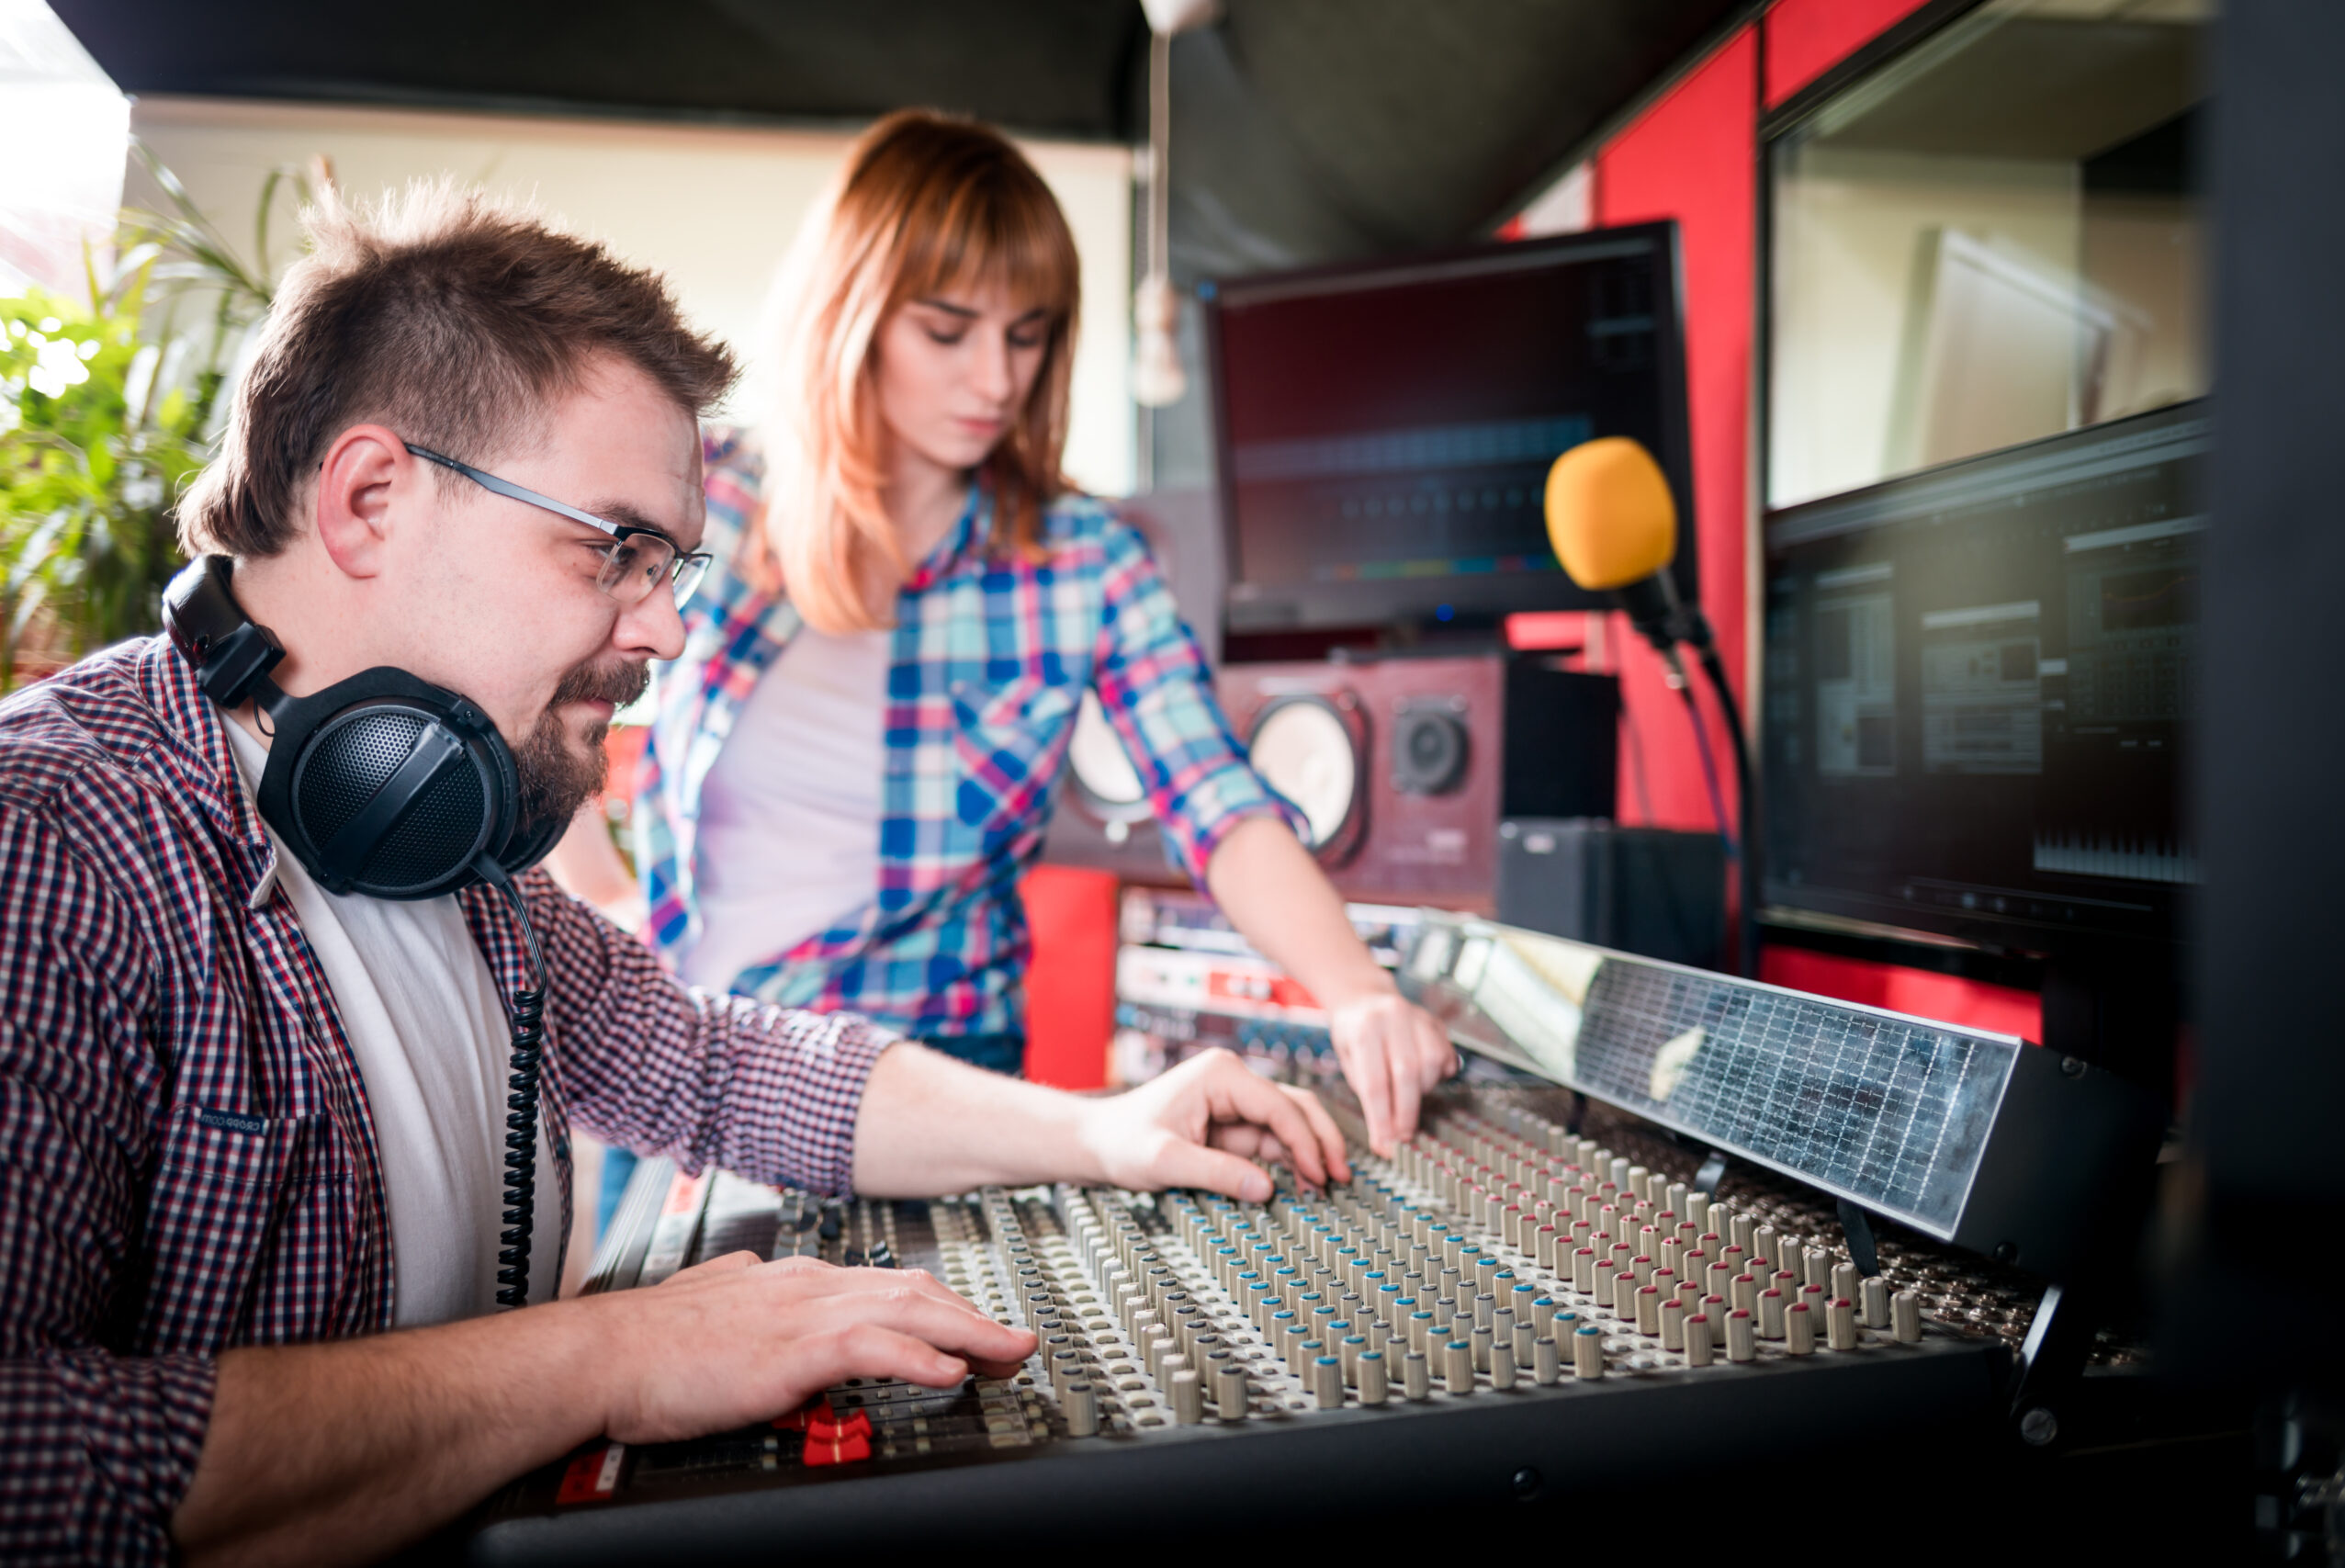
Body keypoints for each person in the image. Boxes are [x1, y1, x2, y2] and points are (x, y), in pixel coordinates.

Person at [0, 182, 1353, 1567]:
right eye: (615, 548)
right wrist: (603, 1354)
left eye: (673, 565)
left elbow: (713, 1063)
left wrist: (1105, 1132)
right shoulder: (58, 838)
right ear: (368, 499)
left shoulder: (456, 847)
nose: (662, 628)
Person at [552, 112, 1455, 1191]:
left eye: (1025, 335)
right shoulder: (714, 493)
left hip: (944, 1091)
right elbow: (549, 684)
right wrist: (602, 903)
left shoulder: (1087, 561)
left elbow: (1216, 799)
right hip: (689, 1067)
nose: (995, 378)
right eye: (947, 331)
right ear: (856, 313)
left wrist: (1356, 990)